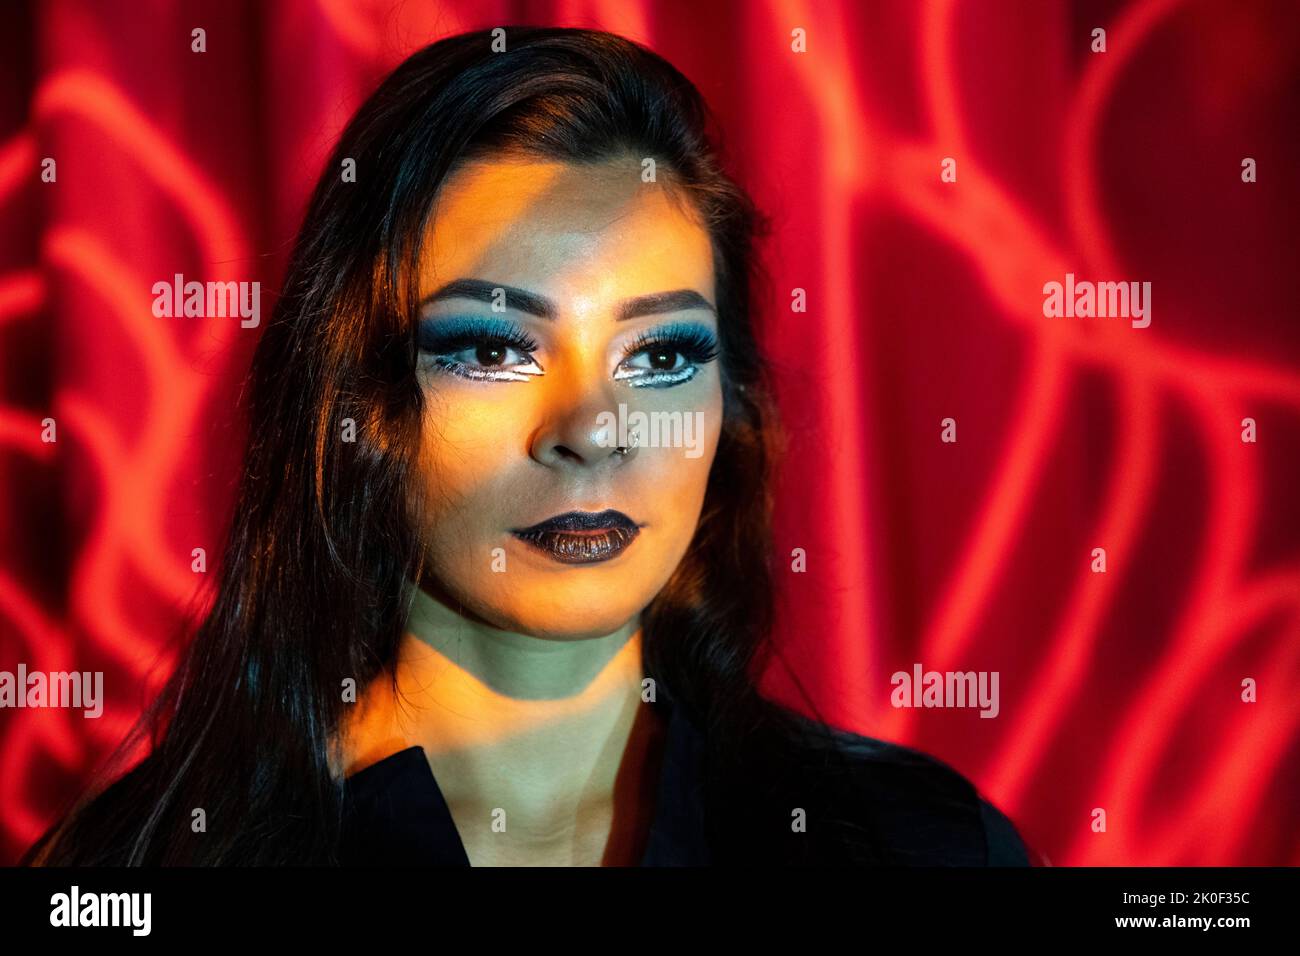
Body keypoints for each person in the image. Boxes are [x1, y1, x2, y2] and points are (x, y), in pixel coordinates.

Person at [23, 26, 1034, 867]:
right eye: (495, 347)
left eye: (661, 352)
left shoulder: (922, 846)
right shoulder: (140, 871)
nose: (591, 428)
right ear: (362, 399)